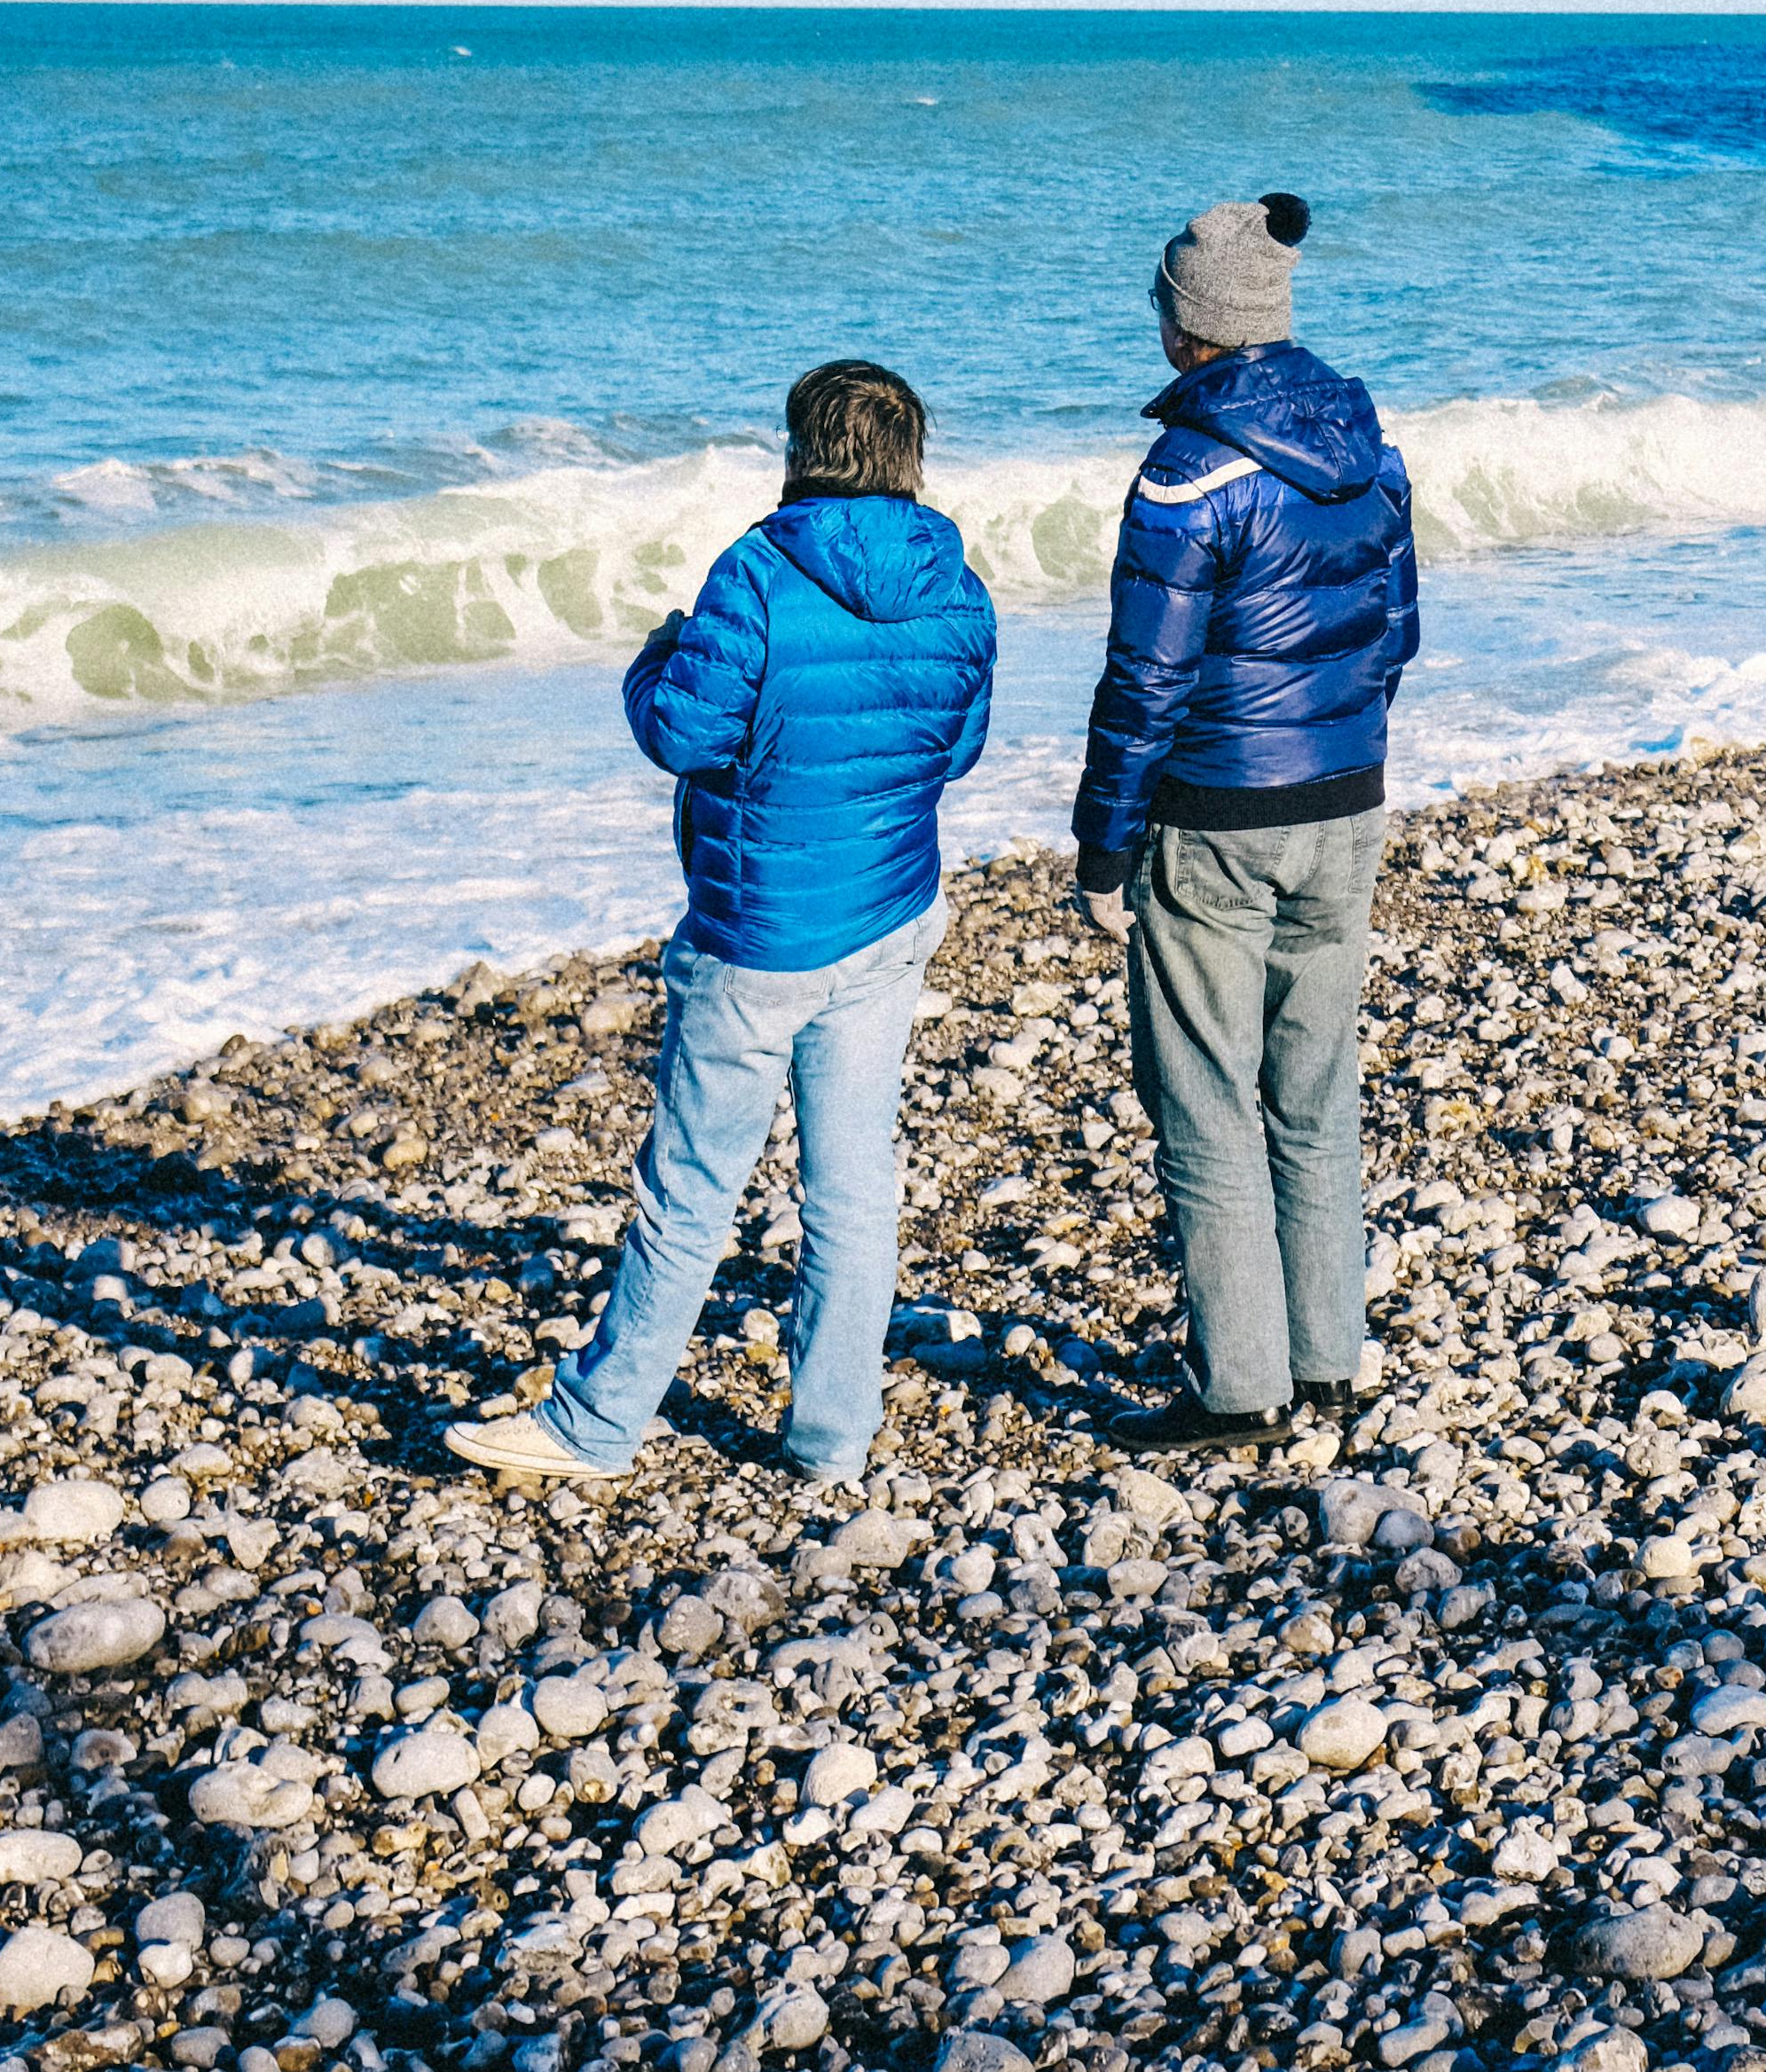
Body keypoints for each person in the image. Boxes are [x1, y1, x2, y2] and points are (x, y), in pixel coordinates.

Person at [447, 355, 994, 1489]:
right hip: (891, 909)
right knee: (850, 1186)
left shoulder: (755, 573)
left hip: (757, 931)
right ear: (909, 460)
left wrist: (655, 651)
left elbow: (682, 734)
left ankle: (598, 1427)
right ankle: (832, 1440)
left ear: (803, 453)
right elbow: (956, 747)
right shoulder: (958, 586)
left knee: (692, 1187)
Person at [1073, 191, 1419, 1453]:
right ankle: (1330, 1356)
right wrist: (1342, 741)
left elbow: (1144, 680)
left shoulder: (1185, 472)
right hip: (1346, 794)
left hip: (1217, 814)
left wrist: (1104, 844)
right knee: (1316, 1090)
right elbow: (1396, 631)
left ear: (1191, 330)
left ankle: (1241, 1388)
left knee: (1206, 1097)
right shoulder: (1368, 441)